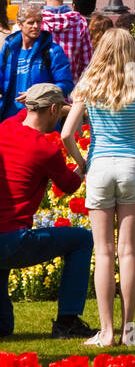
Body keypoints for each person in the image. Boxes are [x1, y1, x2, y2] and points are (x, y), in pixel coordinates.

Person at [61, 29, 135, 348]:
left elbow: (67, 134)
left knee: (104, 253)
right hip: (131, 165)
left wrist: (83, 161)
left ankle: (106, 332)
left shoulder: (89, 87)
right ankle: (129, 332)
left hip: (100, 166)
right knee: (128, 251)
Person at [0, 83, 94, 340]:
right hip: (14, 241)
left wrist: (33, 101)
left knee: (4, 328)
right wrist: (84, 164)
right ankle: (67, 321)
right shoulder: (45, 149)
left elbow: (25, 115)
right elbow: (69, 185)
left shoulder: (5, 127)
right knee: (82, 239)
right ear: (53, 109)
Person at [0, 2, 74, 121]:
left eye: (39, 21)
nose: (36, 26)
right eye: (30, 22)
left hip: (41, 119)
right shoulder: (9, 49)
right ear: (19, 24)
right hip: (10, 118)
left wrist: (39, 94)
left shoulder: (53, 51)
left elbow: (66, 84)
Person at [40, 0, 93, 83]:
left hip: (40, 95)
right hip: (71, 93)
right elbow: (87, 64)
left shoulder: (35, 23)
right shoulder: (80, 22)